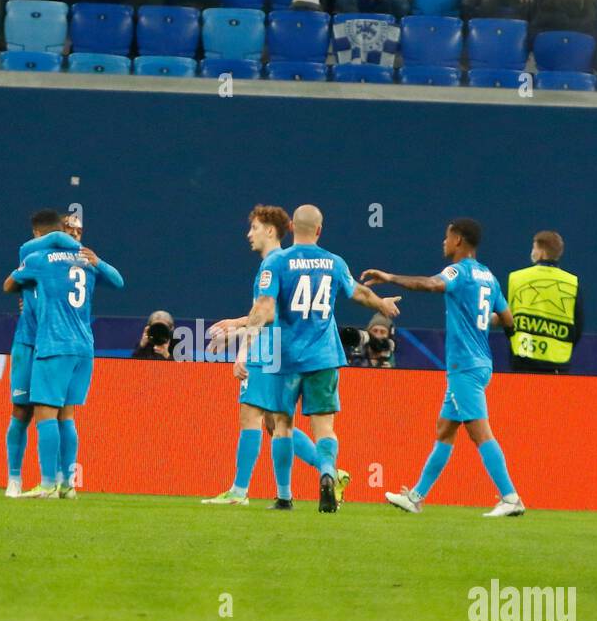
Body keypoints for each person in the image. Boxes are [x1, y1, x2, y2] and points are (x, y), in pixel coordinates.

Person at [233, 204, 400, 512]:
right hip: (323, 357)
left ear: (292, 229)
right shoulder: (334, 263)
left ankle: (284, 496)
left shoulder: (277, 262)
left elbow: (265, 308)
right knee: (324, 428)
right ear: (320, 230)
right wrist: (382, 303)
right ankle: (327, 473)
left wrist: (245, 344)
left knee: (281, 424)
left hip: (286, 358)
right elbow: (360, 293)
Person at [362, 218, 527, 518]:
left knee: (479, 432)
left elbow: (431, 283)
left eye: (447, 237)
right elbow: (508, 319)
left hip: (464, 365)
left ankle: (510, 496)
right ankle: (416, 497)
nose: (444, 242)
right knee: (445, 430)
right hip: (478, 362)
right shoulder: (488, 276)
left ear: (459, 241)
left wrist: (390, 277)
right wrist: (478, 324)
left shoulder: (459, 270)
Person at [203, 206, 351, 506]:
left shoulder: (275, 263)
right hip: (287, 349)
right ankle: (317, 478)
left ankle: (239, 492)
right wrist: (235, 327)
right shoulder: (286, 262)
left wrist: (240, 343)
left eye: (255, 227)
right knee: (277, 423)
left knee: (251, 414)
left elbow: (265, 315)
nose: (249, 234)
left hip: (268, 348)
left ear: (270, 230)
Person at [7, 224, 125, 499]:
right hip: (84, 348)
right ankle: (67, 484)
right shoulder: (87, 261)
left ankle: (46, 484)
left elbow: (10, 281)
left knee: (44, 414)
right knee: (68, 416)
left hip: (54, 344)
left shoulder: (39, 259)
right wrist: (96, 259)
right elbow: (119, 282)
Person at [2, 209, 80, 498]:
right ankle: (15, 479)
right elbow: (8, 285)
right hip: (29, 341)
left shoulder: (68, 261)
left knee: (60, 413)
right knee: (22, 410)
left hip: (55, 343)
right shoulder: (31, 257)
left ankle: (60, 482)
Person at [506, 229, 582, 374]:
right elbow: (578, 326)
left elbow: (507, 319)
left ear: (541, 252)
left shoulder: (516, 278)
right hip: (558, 362)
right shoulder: (572, 282)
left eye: (533, 248)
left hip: (522, 360)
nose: (532, 252)